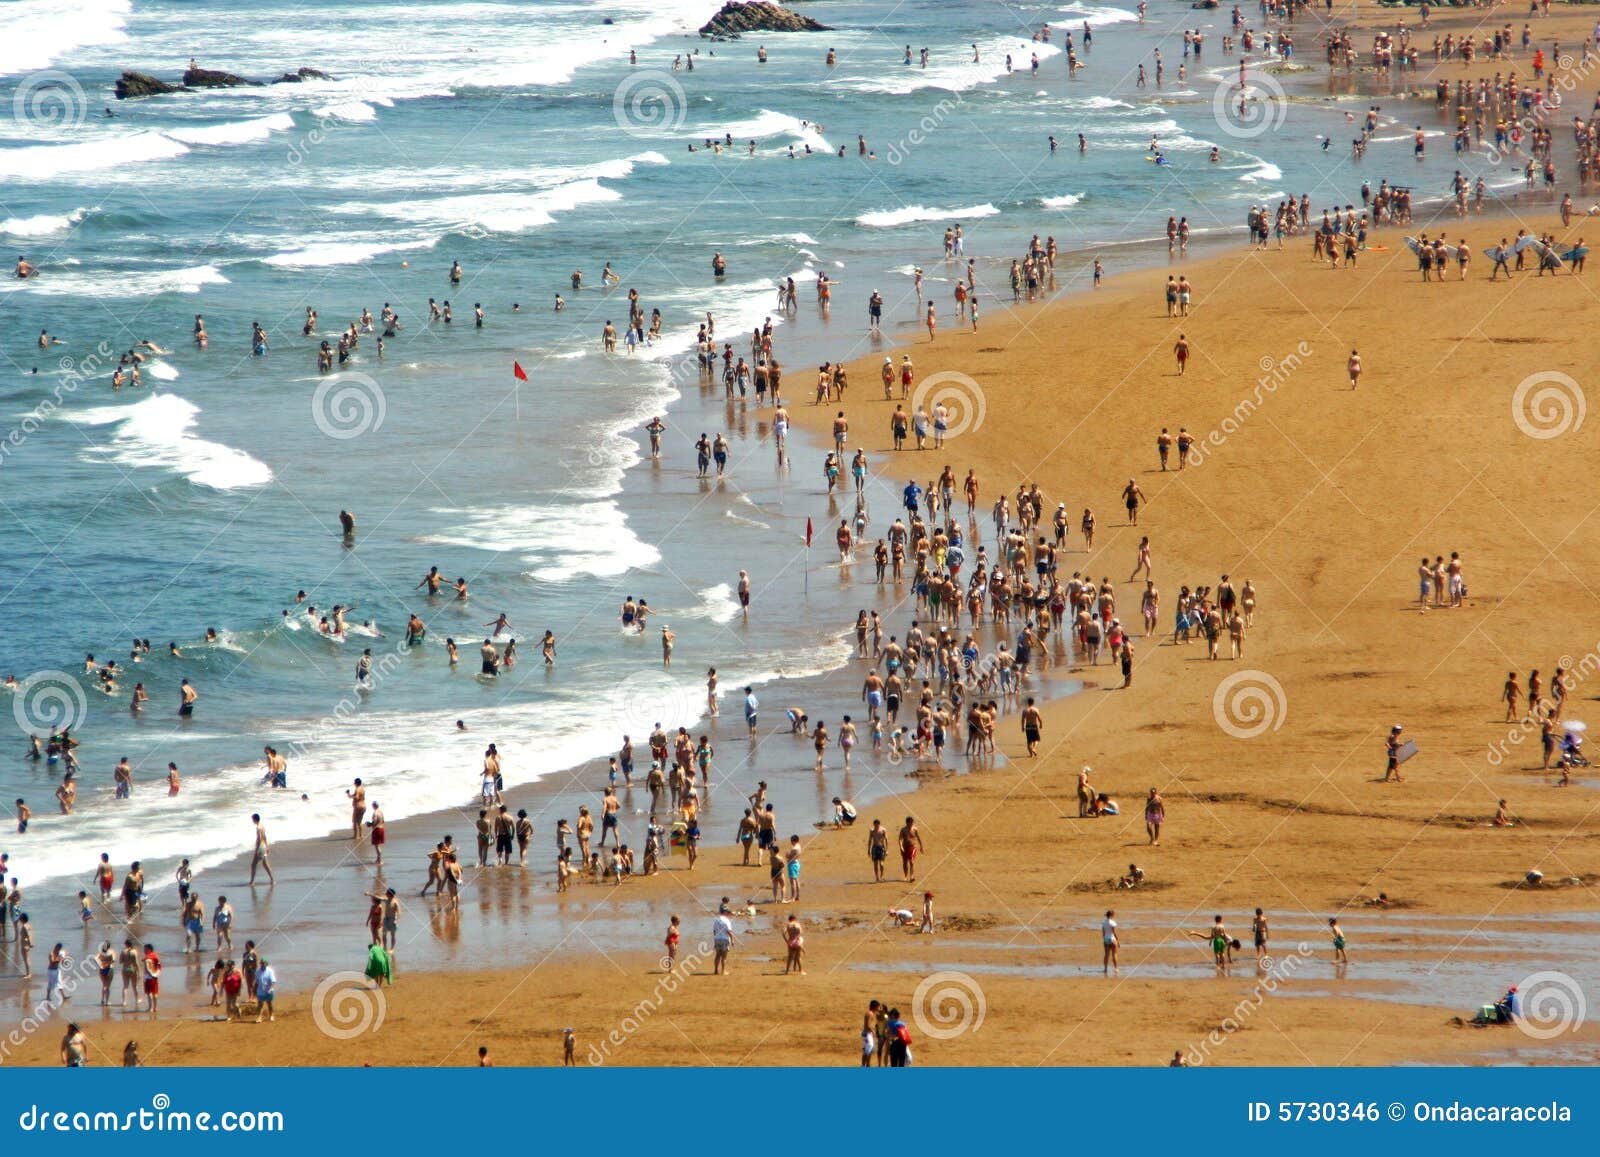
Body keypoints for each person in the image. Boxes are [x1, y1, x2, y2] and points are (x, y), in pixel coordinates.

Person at [1102, 909, 1120, 975]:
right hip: (1112, 939)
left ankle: (1105, 969)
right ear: (1112, 915)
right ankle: (1116, 968)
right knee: (1114, 954)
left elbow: (1103, 933)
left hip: (1106, 939)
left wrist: (1104, 939)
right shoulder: (1113, 923)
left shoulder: (1104, 923)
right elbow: (1114, 932)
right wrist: (1118, 940)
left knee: (1106, 955)